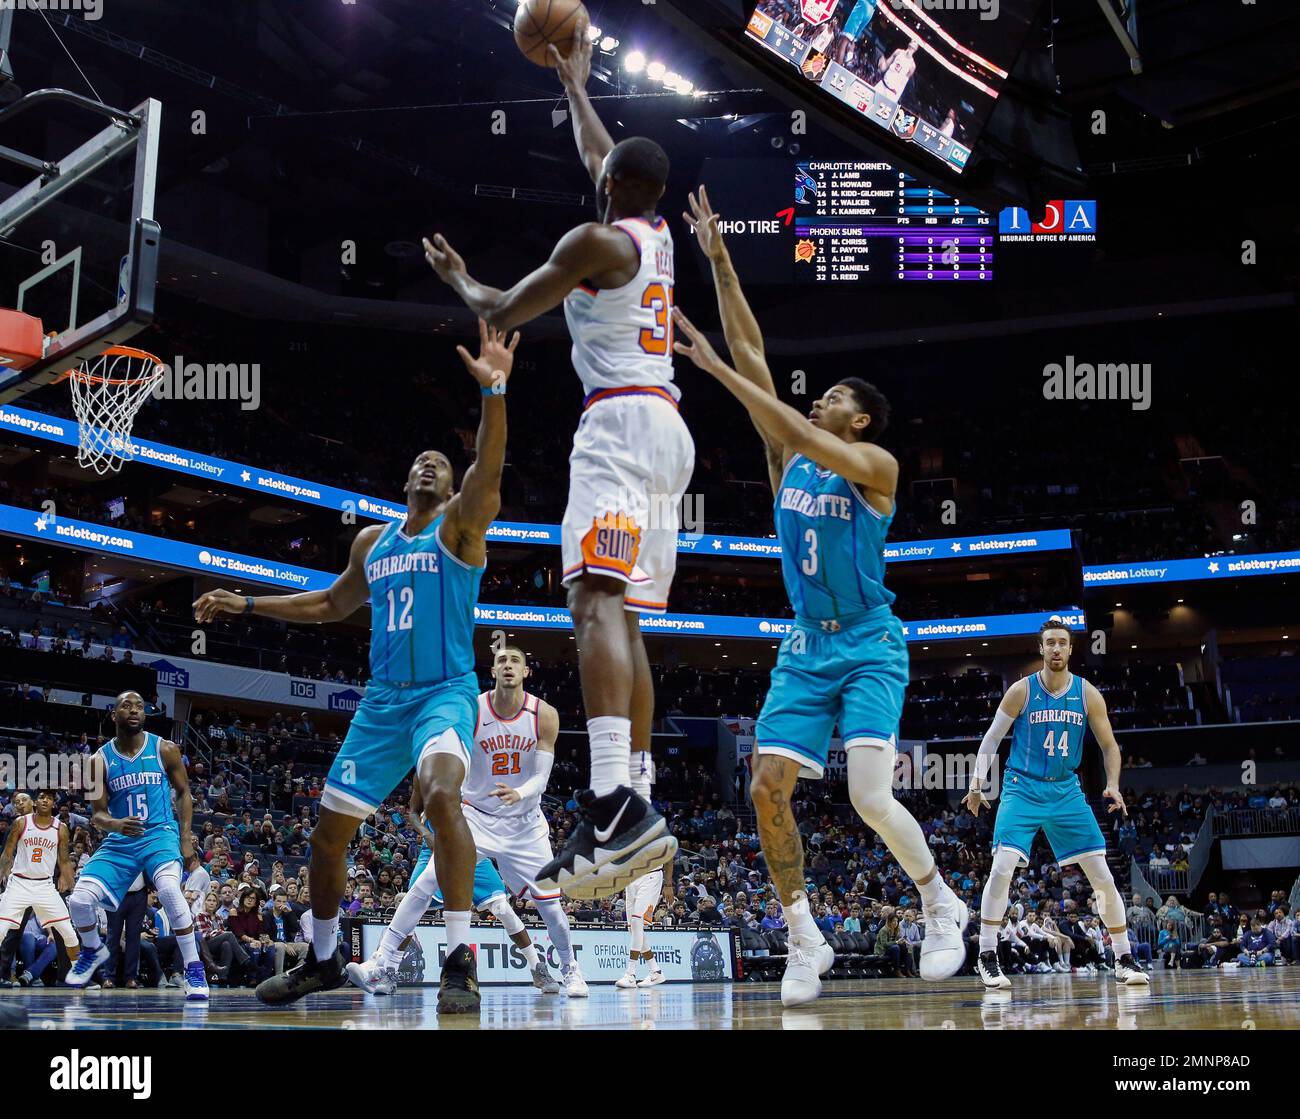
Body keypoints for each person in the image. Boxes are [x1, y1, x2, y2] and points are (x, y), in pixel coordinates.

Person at [670, 189, 967, 1008]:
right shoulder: (787, 460)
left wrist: (716, 372)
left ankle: (940, 902)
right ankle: (804, 934)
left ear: (861, 419)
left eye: (835, 394)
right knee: (767, 787)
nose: (819, 399)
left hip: (871, 640)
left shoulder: (878, 470)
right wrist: (720, 259)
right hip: (806, 643)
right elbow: (752, 347)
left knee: (871, 794)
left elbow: (781, 412)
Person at [424, 24, 691, 899]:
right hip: (668, 430)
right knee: (626, 615)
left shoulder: (595, 241)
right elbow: (605, 157)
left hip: (615, 428)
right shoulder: (652, 236)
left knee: (591, 597)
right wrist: (576, 84)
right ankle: (636, 796)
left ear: (613, 189)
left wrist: (461, 280)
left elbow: (505, 306)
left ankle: (613, 801)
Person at [194, 323, 517, 1015]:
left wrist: (494, 391)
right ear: (405, 480)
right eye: (420, 461)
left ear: (453, 485)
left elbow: (489, 472)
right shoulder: (373, 540)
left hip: (444, 692)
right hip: (381, 703)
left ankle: (458, 959)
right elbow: (329, 604)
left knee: (440, 795)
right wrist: (245, 599)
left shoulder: (460, 528)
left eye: (441, 462)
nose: (430, 465)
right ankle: (322, 959)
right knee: (326, 835)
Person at [963, 620, 1150, 991]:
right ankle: (987, 954)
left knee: (1102, 876)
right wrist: (976, 784)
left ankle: (1123, 957)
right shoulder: (1021, 690)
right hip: (1022, 787)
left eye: (1062, 643)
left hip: (1066, 790)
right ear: (1041, 648)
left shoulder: (1087, 694)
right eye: (1050, 643)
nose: (1056, 649)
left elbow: (1110, 746)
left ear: (1070, 649)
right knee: (1001, 868)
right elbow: (992, 738)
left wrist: (1112, 784)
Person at [346, 781, 563, 998]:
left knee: (502, 908)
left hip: (472, 846)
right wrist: (425, 833)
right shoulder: (425, 770)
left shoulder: (475, 768)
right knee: (413, 902)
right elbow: (413, 813)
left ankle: (537, 968)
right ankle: (389, 971)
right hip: (434, 848)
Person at [457, 645, 585, 995]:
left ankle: (570, 968)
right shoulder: (473, 708)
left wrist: (520, 793)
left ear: (526, 672)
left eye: (516, 661)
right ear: (493, 671)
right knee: (428, 881)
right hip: (476, 817)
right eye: (502, 661)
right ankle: (384, 962)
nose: (509, 665)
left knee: (551, 907)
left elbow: (542, 778)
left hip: (525, 823)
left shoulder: (543, 714)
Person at [64, 693, 208, 999]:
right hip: (121, 840)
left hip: (159, 832)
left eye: (139, 707)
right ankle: (92, 951)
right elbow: (98, 815)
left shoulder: (165, 748)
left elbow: (184, 794)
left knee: (169, 890)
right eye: (126, 706)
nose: (134, 711)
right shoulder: (98, 761)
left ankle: (194, 969)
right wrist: (115, 824)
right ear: (113, 715)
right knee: (79, 900)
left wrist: (185, 838)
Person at [0, 788, 80, 976]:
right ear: (36, 802)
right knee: (2, 929)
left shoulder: (60, 828)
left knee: (68, 931)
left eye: (50, 798)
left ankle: (79, 973)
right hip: (19, 884)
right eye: (42, 797)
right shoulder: (21, 823)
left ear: (54, 804)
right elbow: (7, 854)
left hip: (44, 885)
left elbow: (64, 859)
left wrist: (68, 880)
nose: (45, 800)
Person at [617, 750, 674, 989]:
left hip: (652, 876)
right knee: (634, 926)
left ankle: (630, 973)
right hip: (633, 880)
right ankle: (655, 971)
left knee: (638, 921)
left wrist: (669, 884)